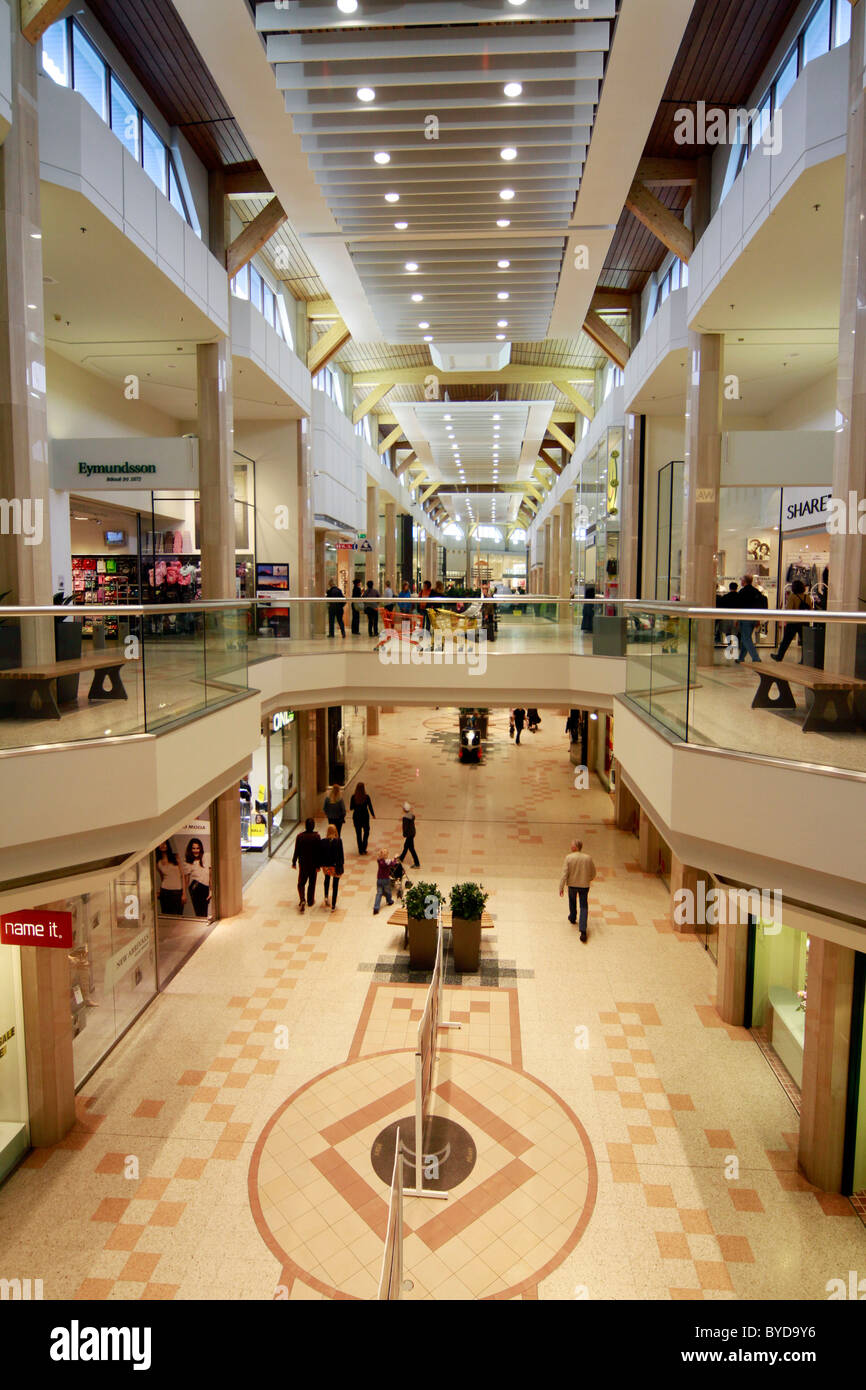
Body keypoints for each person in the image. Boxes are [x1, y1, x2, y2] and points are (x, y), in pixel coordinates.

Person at [559, 838, 597, 942]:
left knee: (572, 901)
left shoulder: (568, 858)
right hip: (584, 885)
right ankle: (583, 930)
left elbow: (564, 874)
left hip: (572, 885)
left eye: (572, 845)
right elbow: (593, 873)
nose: (571, 847)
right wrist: (587, 879)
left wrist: (561, 887)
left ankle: (572, 917)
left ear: (575, 847)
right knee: (584, 905)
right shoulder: (588, 858)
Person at [771, 580, 811, 662]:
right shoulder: (807, 597)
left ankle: (779, 656)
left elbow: (789, 609)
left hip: (793, 622)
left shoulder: (793, 596)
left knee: (786, 641)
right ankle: (805, 659)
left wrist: (786, 619)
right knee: (805, 642)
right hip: (804, 622)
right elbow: (810, 608)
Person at [733, 575, 768, 664]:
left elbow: (738, 606)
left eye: (741, 579)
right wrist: (758, 619)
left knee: (745, 638)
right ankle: (741, 658)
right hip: (754, 617)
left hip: (745, 618)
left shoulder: (742, 592)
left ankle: (756, 658)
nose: (741, 581)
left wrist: (736, 619)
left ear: (744, 581)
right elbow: (760, 606)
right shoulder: (756, 591)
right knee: (746, 637)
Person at [292, 817, 321, 912]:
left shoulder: (300, 836)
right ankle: (310, 900)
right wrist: (318, 865)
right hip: (313, 864)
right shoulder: (316, 836)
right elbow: (318, 852)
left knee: (301, 883)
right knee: (312, 883)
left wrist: (294, 862)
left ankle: (302, 899)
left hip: (303, 864)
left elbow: (296, 850)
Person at [319, 824, 345, 912]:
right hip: (335, 865)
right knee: (335, 884)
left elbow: (321, 854)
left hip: (326, 865)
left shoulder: (323, 841)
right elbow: (341, 854)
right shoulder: (338, 841)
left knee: (327, 879)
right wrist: (342, 865)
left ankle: (326, 896)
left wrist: (321, 865)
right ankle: (333, 905)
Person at [183, 837, 211, 918]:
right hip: (195, 887)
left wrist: (211, 890)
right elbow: (186, 879)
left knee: (204, 911)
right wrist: (184, 894)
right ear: (190, 849)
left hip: (205, 887)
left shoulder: (206, 856)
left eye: (198, 848)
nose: (196, 850)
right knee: (199, 912)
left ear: (201, 848)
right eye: (193, 848)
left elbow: (210, 875)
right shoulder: (188, 861)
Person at [155, 841, 185, 916]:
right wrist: (159, 891)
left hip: (177, 892)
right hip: (165, 892)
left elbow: (183, 876)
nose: (162, 845)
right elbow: (162, 877)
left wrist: (184, 893)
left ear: (168, 845)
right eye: (160, 843)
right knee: (166, 915)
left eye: (164, 843)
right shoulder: (158, 862)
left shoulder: (175, 857)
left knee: (178, 916)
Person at [350, 781, 375, 854]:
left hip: (356, 816)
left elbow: (351, 808)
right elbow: (370, 806)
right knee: (366, 832)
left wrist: (356, 806)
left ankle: (360, 849)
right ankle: (364, 846)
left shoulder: (353, 797)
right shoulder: (366, 797)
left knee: (358, 833)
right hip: (365, 816)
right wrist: (373, 814)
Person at [399, 801, 420, 867]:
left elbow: (405, 827)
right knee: (406, 846)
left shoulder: (405, 818)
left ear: (404, 809)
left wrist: (404, 834)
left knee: (411, 848)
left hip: (409, 834)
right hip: (412, 833)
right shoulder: (412, 815)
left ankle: (417, 863)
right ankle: (401, 858)